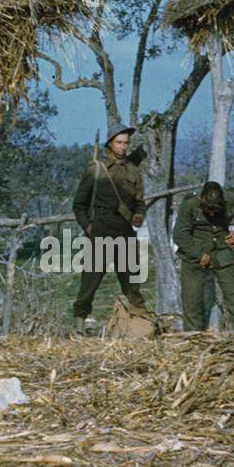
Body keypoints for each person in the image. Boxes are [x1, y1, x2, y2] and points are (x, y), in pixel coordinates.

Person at [71, 125, 147, 334]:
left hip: (124, 229)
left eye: (125, 143)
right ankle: (79, 322)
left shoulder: (133, 170)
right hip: (101, 228)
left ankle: (140, 323)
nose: (123, 147)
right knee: (91, 280)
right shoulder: (96, 168)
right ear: (110, 144)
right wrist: (88, 226)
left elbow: (139, 201)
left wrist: (139, 214)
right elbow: (79, 204)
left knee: (131, 280)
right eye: (119, 142)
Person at [173, 181, 234, 337]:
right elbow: (179, 234)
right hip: (194, 254)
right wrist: (199, 254)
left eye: (216, 210)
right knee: (192, 300)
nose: (212, 214)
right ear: (200, 199)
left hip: (223, 251)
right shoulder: (189, 204)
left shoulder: (232, 198)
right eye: (207, 209)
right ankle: (194, 338)